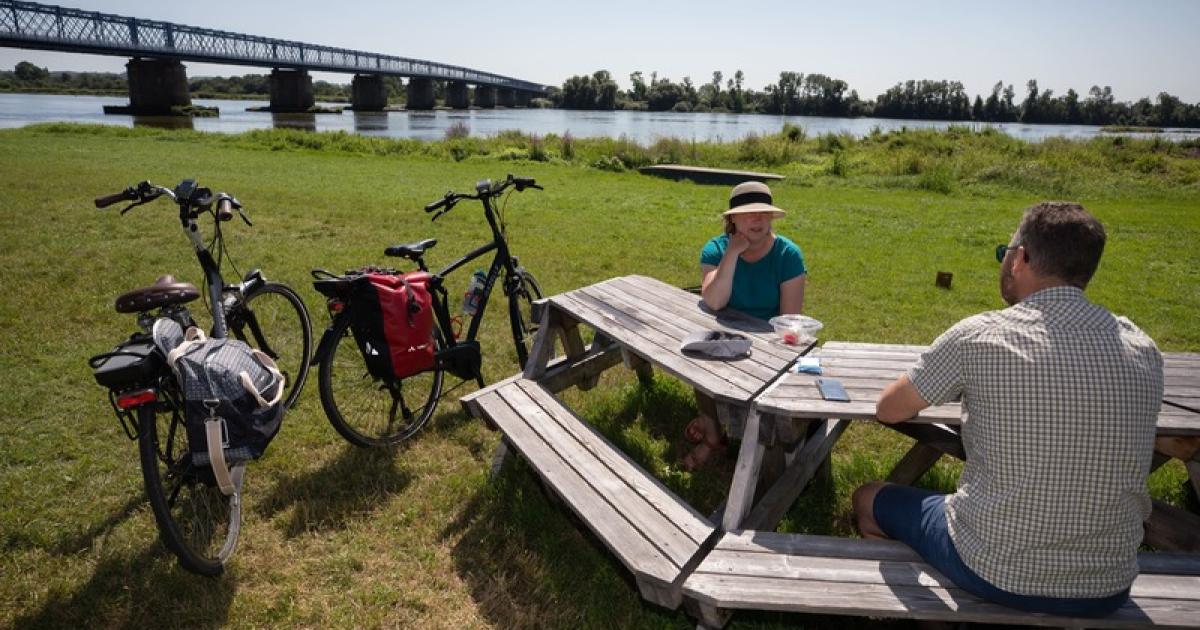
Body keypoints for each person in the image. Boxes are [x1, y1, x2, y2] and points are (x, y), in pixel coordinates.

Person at [852, 201, 1163, 617]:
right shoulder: (1142, 347)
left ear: (1021, 258)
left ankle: (933, 620)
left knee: (868, 498)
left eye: (1006, 253)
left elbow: (889, 409)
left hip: (992, 567)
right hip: (1108, 584)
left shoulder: (980, 337)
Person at [683, 181, 807, 469]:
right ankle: (714, 438)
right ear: (732, 219)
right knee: (697, 361)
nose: (758, 220)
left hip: (768, 342)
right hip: (723, 338)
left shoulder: (788, 255)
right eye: (748, 213)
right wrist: (732, 254)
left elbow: (790, 321)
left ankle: (722, 424)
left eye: (764, 213)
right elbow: (714, 301)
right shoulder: (716, 249)